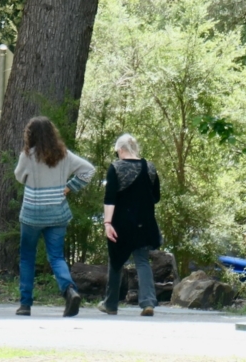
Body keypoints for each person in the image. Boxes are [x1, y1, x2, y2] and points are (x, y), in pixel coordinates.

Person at [14, 117, 95, 317]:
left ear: (30, 135)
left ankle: (25, 304)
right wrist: (70, 187)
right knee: (56, 256)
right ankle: (69, 290)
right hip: (57, 213)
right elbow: (89, 170)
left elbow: (19, 176)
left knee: (27, 258)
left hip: (32, 215)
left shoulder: (27, 156)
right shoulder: (64, 155)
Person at [99, 133, 161, 317]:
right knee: (142, 261)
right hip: (145, 221)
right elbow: (156, 197)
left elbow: (110, 199)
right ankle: (148, 302)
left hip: (121, 222)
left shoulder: (116, 168)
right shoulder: (149, 167)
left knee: (116, 261)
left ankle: (110, 304)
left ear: (121, 149)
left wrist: (107, 222)